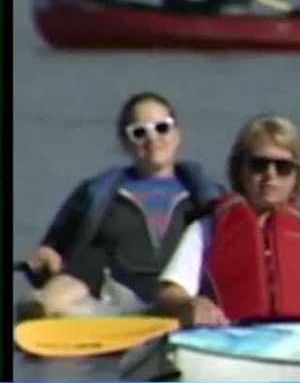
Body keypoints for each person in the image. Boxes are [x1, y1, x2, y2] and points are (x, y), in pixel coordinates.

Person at [157, 114, 300, 327]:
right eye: (259, 165)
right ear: (240, 170)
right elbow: (170, 292)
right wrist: (189, 305)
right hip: (233, 344)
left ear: (297, 175)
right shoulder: (206, 230)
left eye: (283, 167)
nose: (270, 175)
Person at [19, 92, 224, 319]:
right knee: (88, 263)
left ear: (177, 134)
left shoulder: (209, 196)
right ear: (125, 142)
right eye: (139, 132)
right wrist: (46, 254)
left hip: (176, 295)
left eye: (162, 128)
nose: (153, 139)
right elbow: (55, 244)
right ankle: (42, 307)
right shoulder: (96, 191)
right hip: (109, 290)